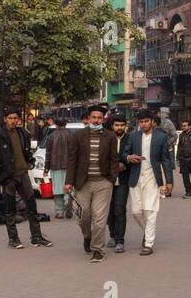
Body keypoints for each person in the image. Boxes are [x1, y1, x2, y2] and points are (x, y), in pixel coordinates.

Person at [0, 110, 51, 250]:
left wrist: (30, 161)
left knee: (32, 207)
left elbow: (26, 151)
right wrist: (1, 176)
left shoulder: (22, 133)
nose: (13, 121)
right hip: (9, 177)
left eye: (15, 118)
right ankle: (13, 239)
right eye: (10, 118)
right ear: (5, 119)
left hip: (23, 174)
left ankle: (36, 237)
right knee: (10, 210)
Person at [65, 106, 120, 263]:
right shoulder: (77, 136)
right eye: (94, 117)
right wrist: (69, 181)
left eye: (99, 118)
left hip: (103, 183)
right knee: (84, 216)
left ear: (103, 119)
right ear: (88, 118)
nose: (96, 120)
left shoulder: (110, 136)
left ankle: (98, 250)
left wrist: (111, 178)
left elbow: (114, 160)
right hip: (83, 183)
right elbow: (71, 160)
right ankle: (87, 236)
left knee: (99, 218)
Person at [122, 108, 174, 256]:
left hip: (153, 177)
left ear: (152, 122)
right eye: (141, 122)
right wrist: (129, 158)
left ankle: (148, 243)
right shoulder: (133, 136)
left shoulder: (161, 137)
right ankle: (147, 231)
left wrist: (169, 181)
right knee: (136, 212)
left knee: (150, 210)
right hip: (136, 177)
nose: (144, 124)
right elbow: (124, 153)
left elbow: (165, 159)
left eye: (146, 121)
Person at [106, 114, 131, 252]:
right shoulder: (107, 138)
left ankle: (120, 240)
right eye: (117, 125)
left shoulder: (130, 139)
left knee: (120, 209)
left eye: (122, 125)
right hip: (108, 180)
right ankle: (112, 236)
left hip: (123, 180)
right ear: (112, 126)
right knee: (109, 210)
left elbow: (132, 156)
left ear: (125, 126)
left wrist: (125, 165)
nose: (119, 127)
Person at [46, 116, 72, 219]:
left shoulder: (51, 136)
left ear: (55, 125)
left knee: (57, 189)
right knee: (68, 187)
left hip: (55, 166)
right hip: (69, 166)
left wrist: (46, 168)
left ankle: (59, 212)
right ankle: (67, 201)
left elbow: (48, 153)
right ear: (65, 124)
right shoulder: (71, 135)